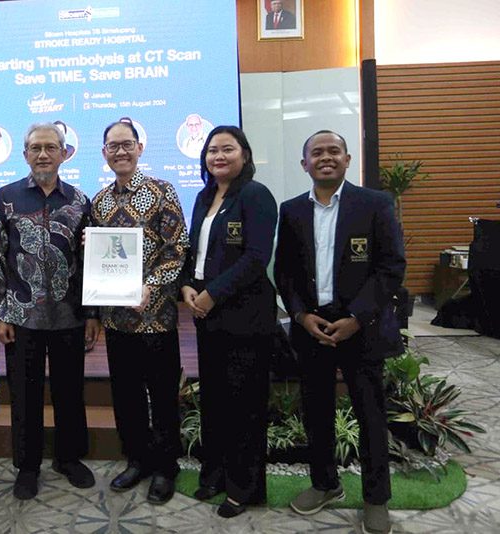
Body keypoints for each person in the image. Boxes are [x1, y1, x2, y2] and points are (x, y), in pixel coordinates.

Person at [274, 130, 405, 534]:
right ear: (305, 164)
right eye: (317, 153)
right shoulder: (292, 210)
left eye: (334, 151)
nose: (326, 157)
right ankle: (325, 484)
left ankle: (376, 500)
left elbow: (391, 267)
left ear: (348, 159)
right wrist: (300, 316)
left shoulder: (375, 204)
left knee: (370, 416)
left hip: (361, 329)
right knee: (316, 413)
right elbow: (285, 272)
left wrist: (356, 318)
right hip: (312, 328)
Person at [0, 122, 100, 500]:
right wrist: (0, 312)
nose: (42, 154)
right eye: (35, 148)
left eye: (51, 147)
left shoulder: (80, 201)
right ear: (24, 155)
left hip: (70, 315)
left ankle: (69, 458)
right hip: (21, 316)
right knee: (24, 394)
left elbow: (88, 262)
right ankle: (28, 466)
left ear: (64, 153)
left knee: (70, 390)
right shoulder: (6, 197)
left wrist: (92, 314)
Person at [180, 126, 277, 518]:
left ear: (244, 154)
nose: (218, 156)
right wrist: (187, 286)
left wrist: (212, 294)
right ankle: (216, 475)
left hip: (245, 315)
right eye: (212, 150)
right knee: (216, 401)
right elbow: (193, 250)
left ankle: (245, 489)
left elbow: (256, 258)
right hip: (208, 314)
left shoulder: (256, 195)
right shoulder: (204, 196)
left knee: (244, 405)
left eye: (227, 149)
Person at [91, 120, 189, 505]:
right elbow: (98, 257)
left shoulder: (162, 191)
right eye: (113, 146)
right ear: (104, 153)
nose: (120, 151)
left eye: (127, 144)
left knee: (162, 396)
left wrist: (151, 285)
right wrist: (89, 246)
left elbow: (177, 248)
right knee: (126, 395)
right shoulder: (99, 201)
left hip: (156, 317)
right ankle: (137, 460)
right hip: (117, 319)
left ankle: (165, 467)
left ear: (140, 148)